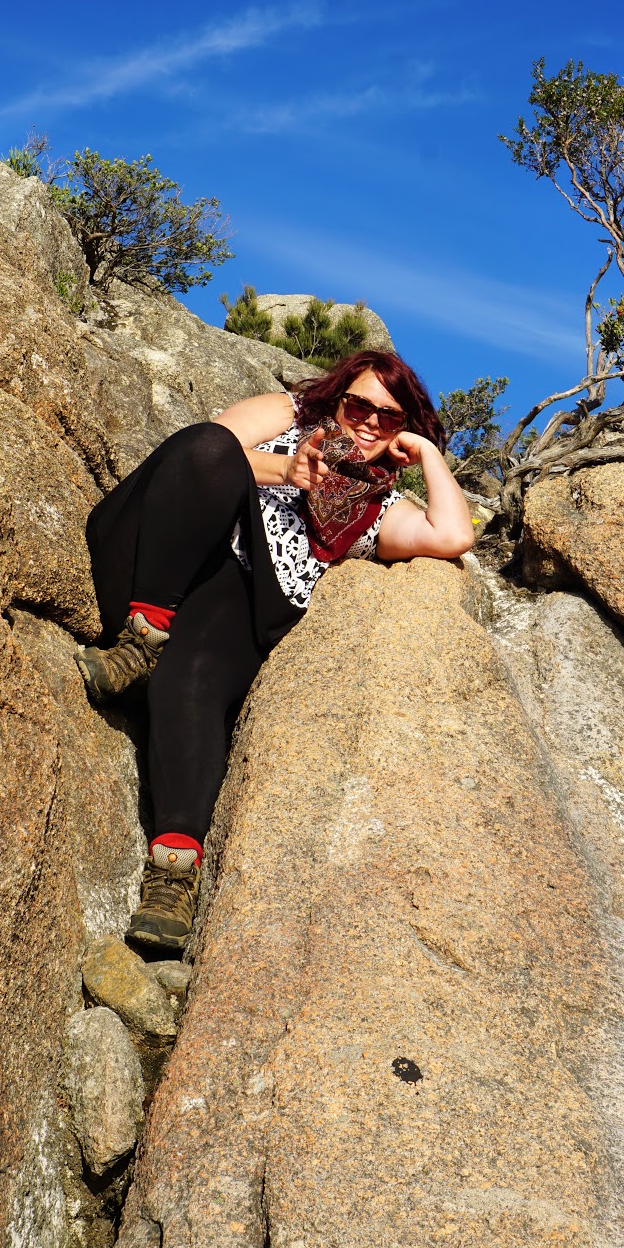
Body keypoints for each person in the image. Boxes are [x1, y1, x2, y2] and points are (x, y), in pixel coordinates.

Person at [75, 350, 474, 952]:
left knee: (191, 681)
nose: (367, 422)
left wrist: (428, 455)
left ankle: (172, 877)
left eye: (389, 418)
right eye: (358, 405)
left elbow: (452, 535)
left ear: (403, 430)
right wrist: (287, 470)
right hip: (154, 559)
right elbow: (200, 456)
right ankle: (141, 638)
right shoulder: (287, 417)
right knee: (208, 449)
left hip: (226, 614)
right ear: (337, 398)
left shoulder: (379, 513)